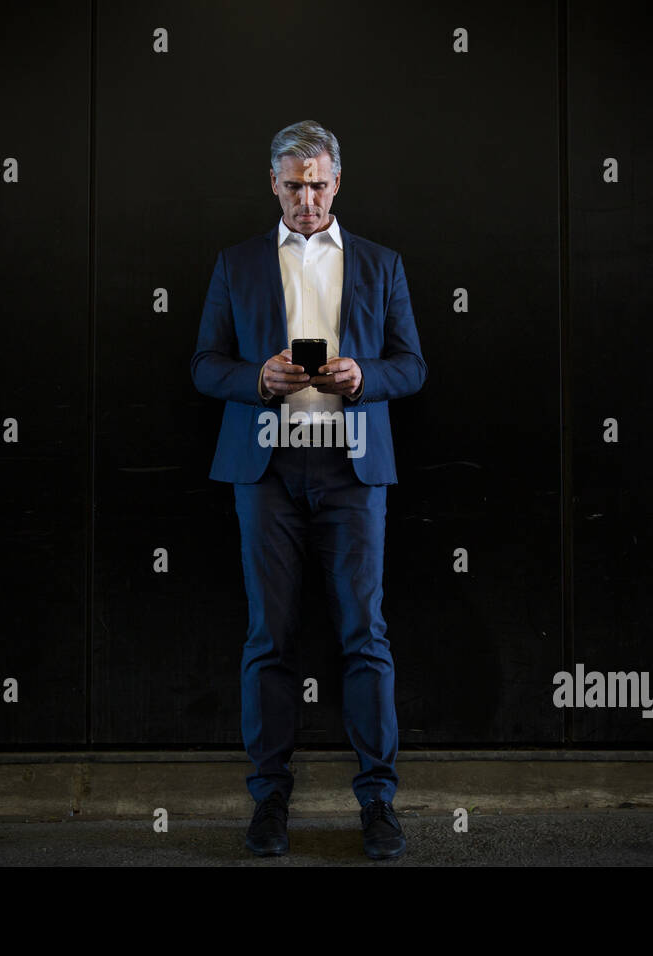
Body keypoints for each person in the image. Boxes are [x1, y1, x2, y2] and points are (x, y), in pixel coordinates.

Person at [191, 120, 427, 859]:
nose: (306, 198)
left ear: (337, 182)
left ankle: (378, 804)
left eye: (318, 183)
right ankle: (268, 804)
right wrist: (255, 379)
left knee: (366, 635)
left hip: (353, 473)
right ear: (273, 184)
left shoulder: (381, 264)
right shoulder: (236, 264)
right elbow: (204, 364)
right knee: (269, 637)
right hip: (266, 473)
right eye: (293, 184)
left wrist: (367, 379)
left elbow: (412, 365)